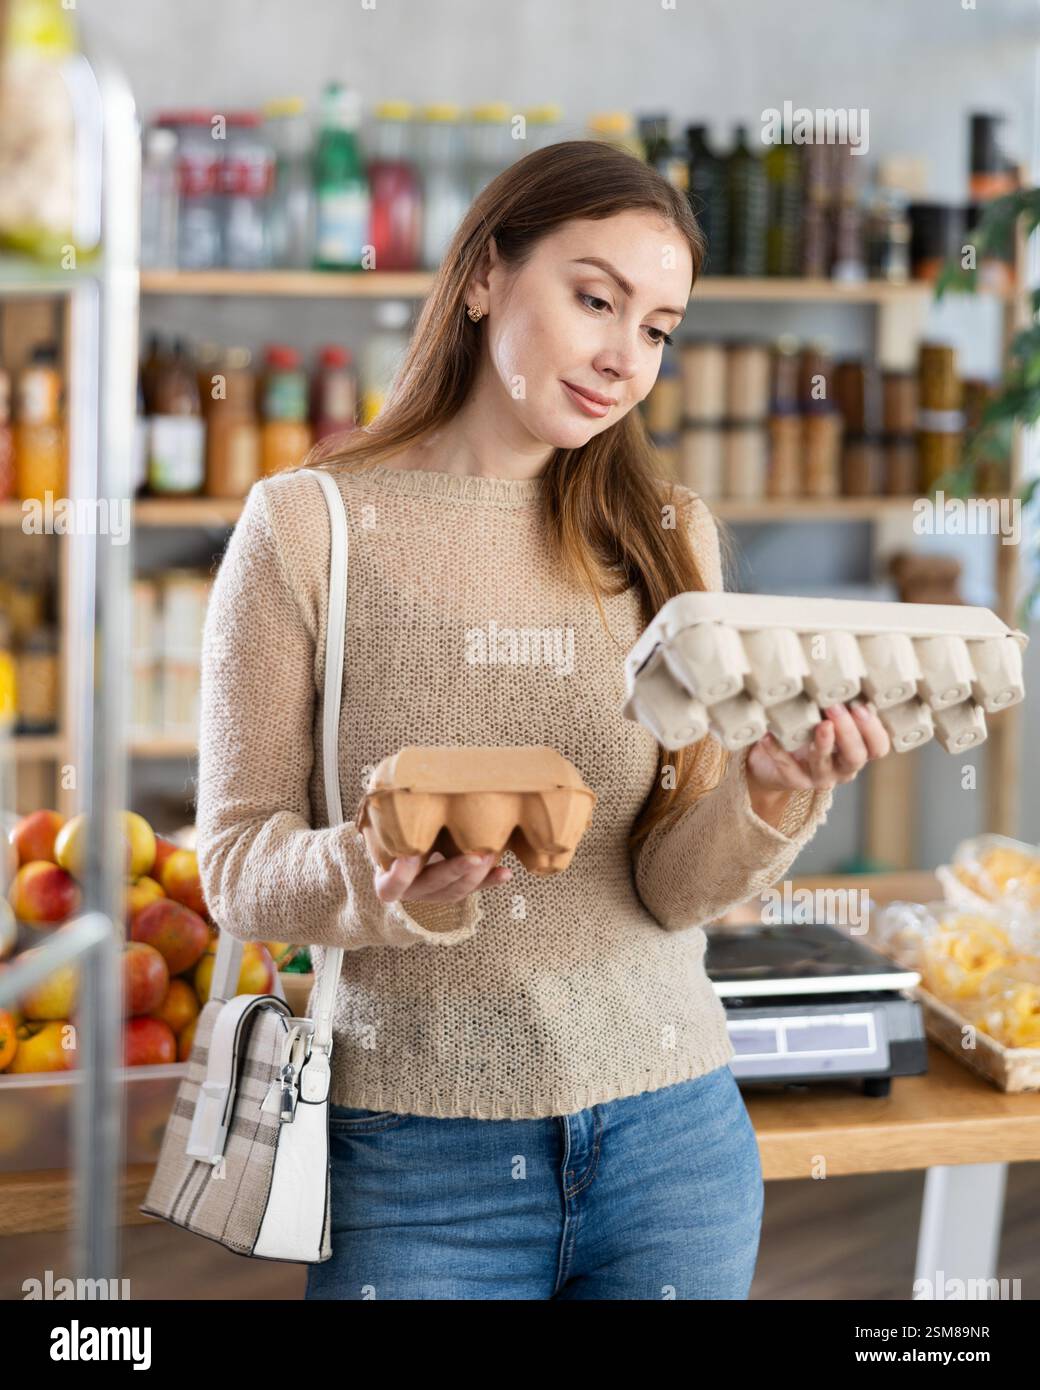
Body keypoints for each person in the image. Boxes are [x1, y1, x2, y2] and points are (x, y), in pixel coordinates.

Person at [195, 139, 891, 1300]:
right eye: (594, 299)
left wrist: (770, 788)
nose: (625, 358)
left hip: (672, 1139)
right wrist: (377, 873)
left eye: (658, 328)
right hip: (415, 1157)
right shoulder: (309, 527)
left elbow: (666, 887)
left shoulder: (667, 533)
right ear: (482, 277)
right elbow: (233, 865)